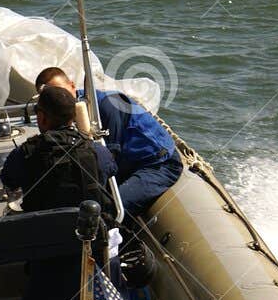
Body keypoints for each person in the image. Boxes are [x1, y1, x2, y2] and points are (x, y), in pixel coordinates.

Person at [0, 84, 117, 300]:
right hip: (89, 256)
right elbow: (110, 170)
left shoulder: (27, 153)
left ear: (41, 117)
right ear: (73, 116)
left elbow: (8, 179)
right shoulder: (96, 151)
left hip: (46, 260)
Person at [33, 66, 183, 221]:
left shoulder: (107, 106)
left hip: (157, 164)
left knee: (107, 208)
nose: (58, 98)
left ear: (72, 86)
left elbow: (109, 162)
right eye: (50, 97)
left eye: (60, 91)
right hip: (125, 161)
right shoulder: (61, 115)